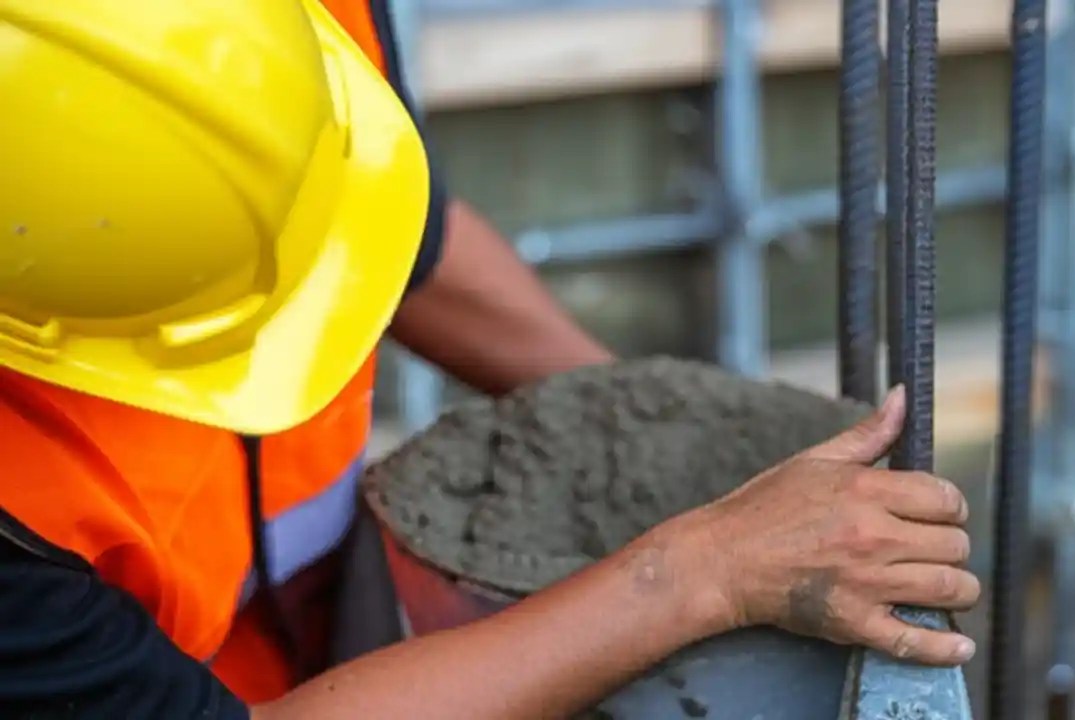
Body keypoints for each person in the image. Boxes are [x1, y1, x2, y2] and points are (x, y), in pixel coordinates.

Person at [0, 2, 981, 719]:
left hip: (324, 644)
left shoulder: (266, 35)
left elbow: (396, 236)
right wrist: (702, 568)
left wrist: (630, 423)